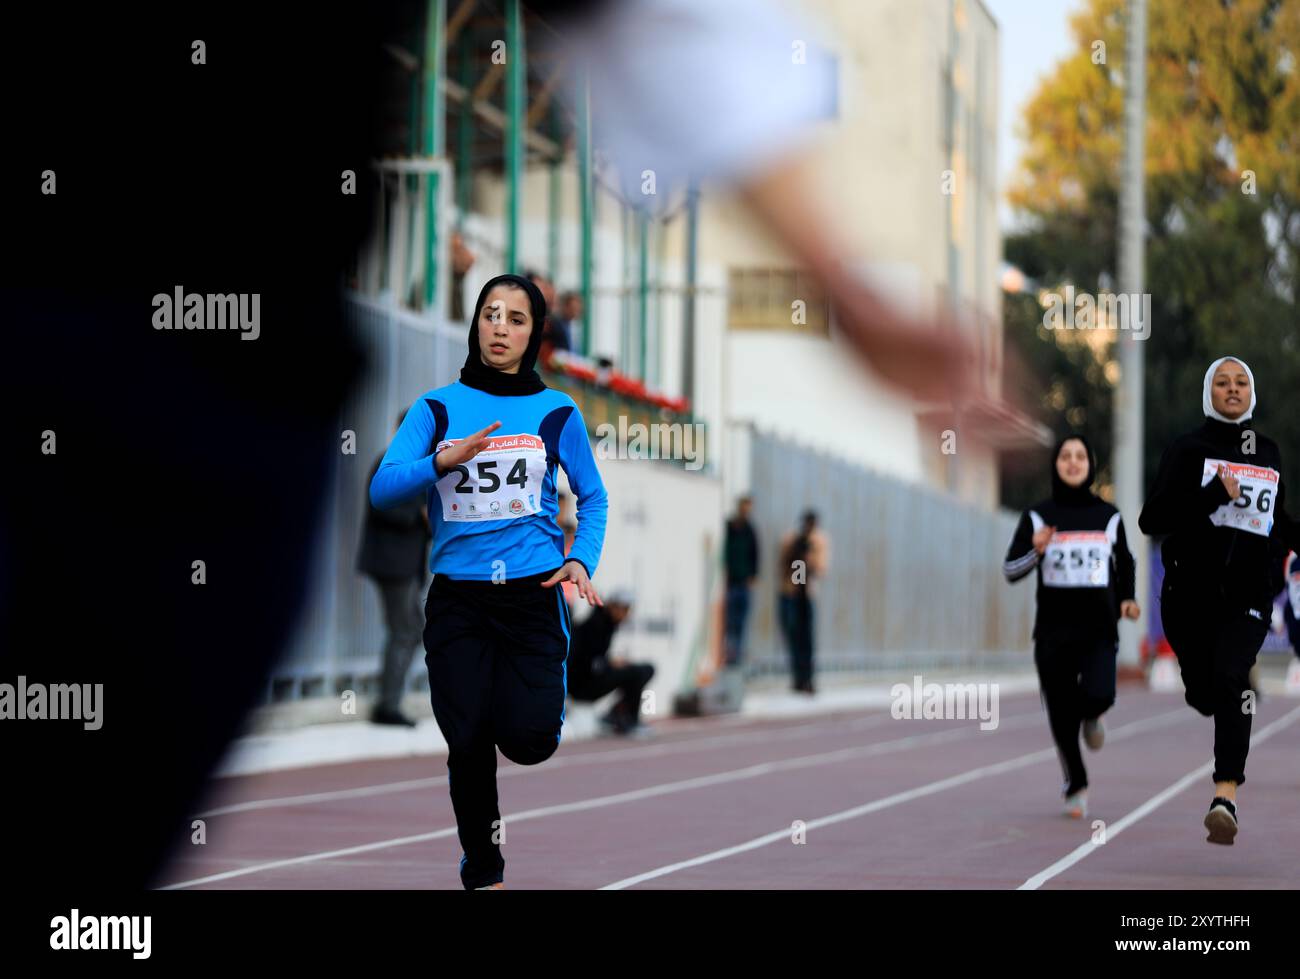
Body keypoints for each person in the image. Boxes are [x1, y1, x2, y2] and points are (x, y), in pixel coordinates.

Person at [370, 272, 609, 889]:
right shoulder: (436, 408)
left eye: (516, 318)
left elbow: (594, 497)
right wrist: (438, 463)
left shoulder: (556, 412)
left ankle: (530, 708)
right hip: (458, 601)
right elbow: (382, 486)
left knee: (530, 741)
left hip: (532, 597)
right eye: (490, 315)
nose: (500, 327)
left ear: (534, 335)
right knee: (467, 739)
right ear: (476, 324)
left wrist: (581, 558)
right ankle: (484, 872)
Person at [1139, 356, 1300, 845]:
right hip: (1189, 596)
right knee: (1206, 690)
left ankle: (1224, 796)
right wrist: (1211, 494)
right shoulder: (1189, 450)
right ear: (1209, 390)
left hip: (1247, 596)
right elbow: (1154, 518)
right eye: (1224, 383)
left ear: (1252, 392)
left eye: (1242, 382)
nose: (1233, 389)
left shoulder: (1267, 452)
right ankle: (1201, 690)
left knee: (1233, 679)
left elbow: (1276, 522)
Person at [1003, 434, 1139, 818]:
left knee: (1100, 694)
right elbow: (1010, 570)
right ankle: (1075, 783)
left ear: (1090, 465)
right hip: (1052, 633)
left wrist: (1127, 598)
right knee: (1060, 715)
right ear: (1056, 464)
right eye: (1066, 456)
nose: (1073, 462)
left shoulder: (1108, 516)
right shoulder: (1036, 516)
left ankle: (1093, 713)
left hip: (1098, 628)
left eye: (1081, 456)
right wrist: (1036, 549)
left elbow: (1125, 562)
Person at [358, 408, 433, 726]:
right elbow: (382, 506)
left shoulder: (413, 466)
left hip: (405, 564)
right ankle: (387, 706)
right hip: (393, 563)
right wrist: (421, 515)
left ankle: (389, 700)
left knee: (411, 630)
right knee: (405, 630)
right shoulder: (390, 462)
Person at [567, 591, 655, 735]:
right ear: (612, 606)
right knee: (637, 673)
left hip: (591, 678)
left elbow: (596, 659)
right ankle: (629, 719)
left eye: (628, 610)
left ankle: (616, 714)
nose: (626, 614)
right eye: (624, 609)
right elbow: (586, 663)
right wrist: (609, 664)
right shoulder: (594, 625)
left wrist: (610, 662)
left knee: (646, 669)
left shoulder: (608, 624)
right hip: (581, 686)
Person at [777, 510, 829, 694]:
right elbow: (789, 568)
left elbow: (821, 569)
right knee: (793, 637)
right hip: (793, 594)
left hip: (807, 596)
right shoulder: (793, 540)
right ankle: (798, 677)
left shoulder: (818, 542)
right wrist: (798, 557)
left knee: (807, 639)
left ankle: (808, 677)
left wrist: (810, 557)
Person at [722, 496, 760, 666]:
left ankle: (735, 658)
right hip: (731, 583)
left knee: (740, 624)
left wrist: (752, 576)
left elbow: (755, 555)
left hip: (743, 583)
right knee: (729, 622)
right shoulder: (730, 527)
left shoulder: (750, 530)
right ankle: (728, 655)